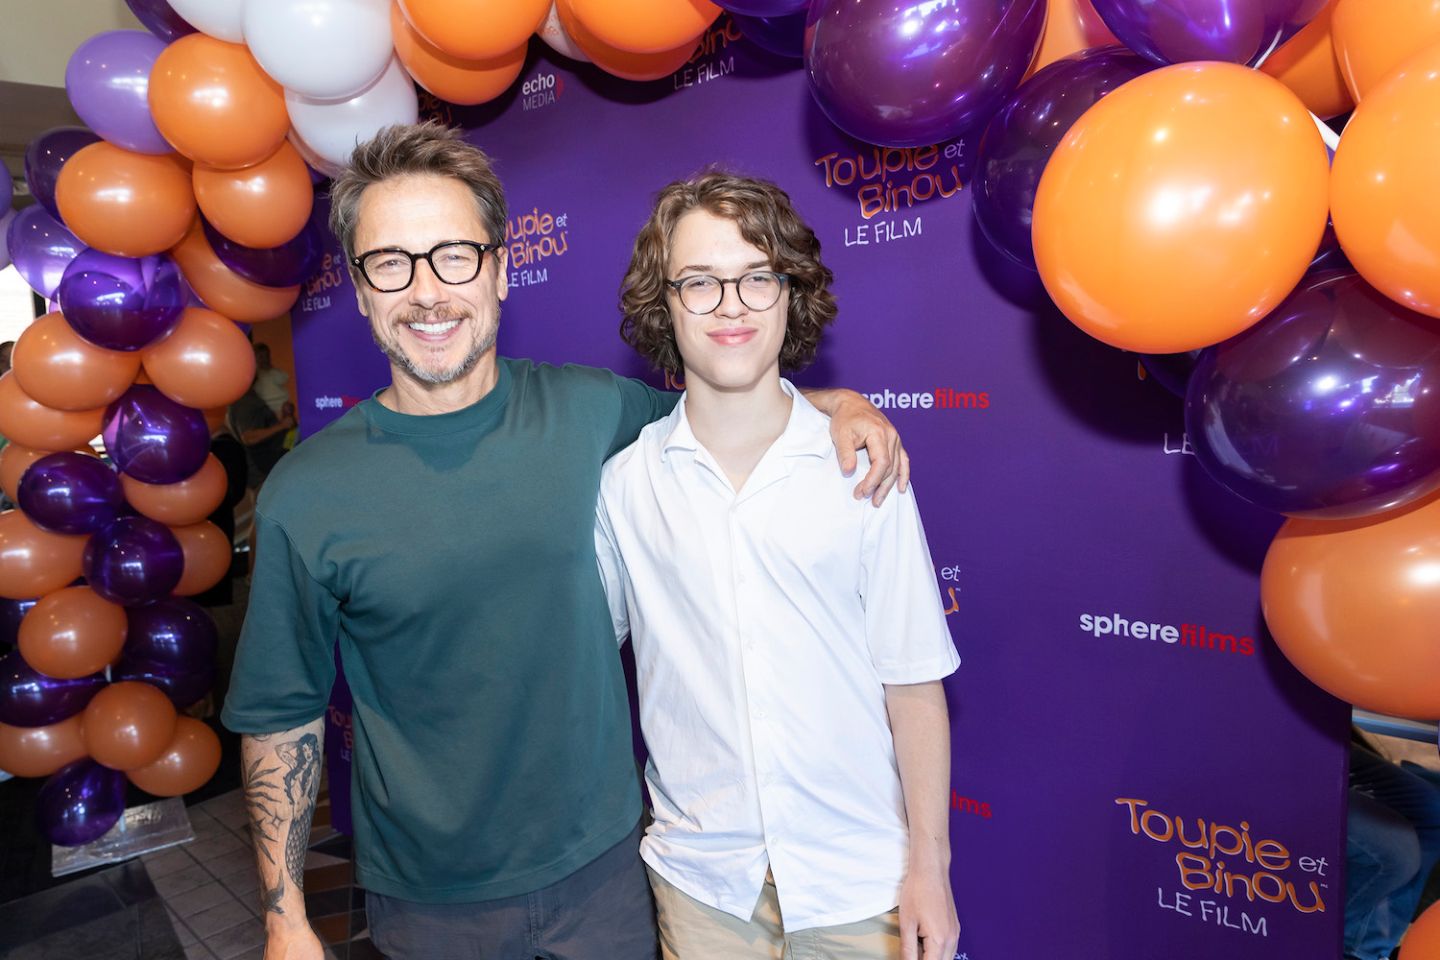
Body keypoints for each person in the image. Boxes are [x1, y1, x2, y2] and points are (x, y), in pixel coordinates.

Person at [219, 122, 908, 960]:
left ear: (502, 269)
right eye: (391, 264)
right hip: (432, 904)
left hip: (608, 877)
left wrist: (838, 403)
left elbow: (735, 407)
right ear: (361, 291)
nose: (427, 291)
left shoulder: (593, 412)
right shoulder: (308, 491)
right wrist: (285, 914)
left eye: (454, 255)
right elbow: (281, 715)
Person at [594, 172, 960, 960]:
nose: (732, 304)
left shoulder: (863, 469)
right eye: (700, 281)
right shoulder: (626, 485)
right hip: (700, 887)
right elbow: (577, 662)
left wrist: (931, 866)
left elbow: (914, 684)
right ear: (665, 303)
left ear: (791, 294)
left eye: (757, 276)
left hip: (860, 884)